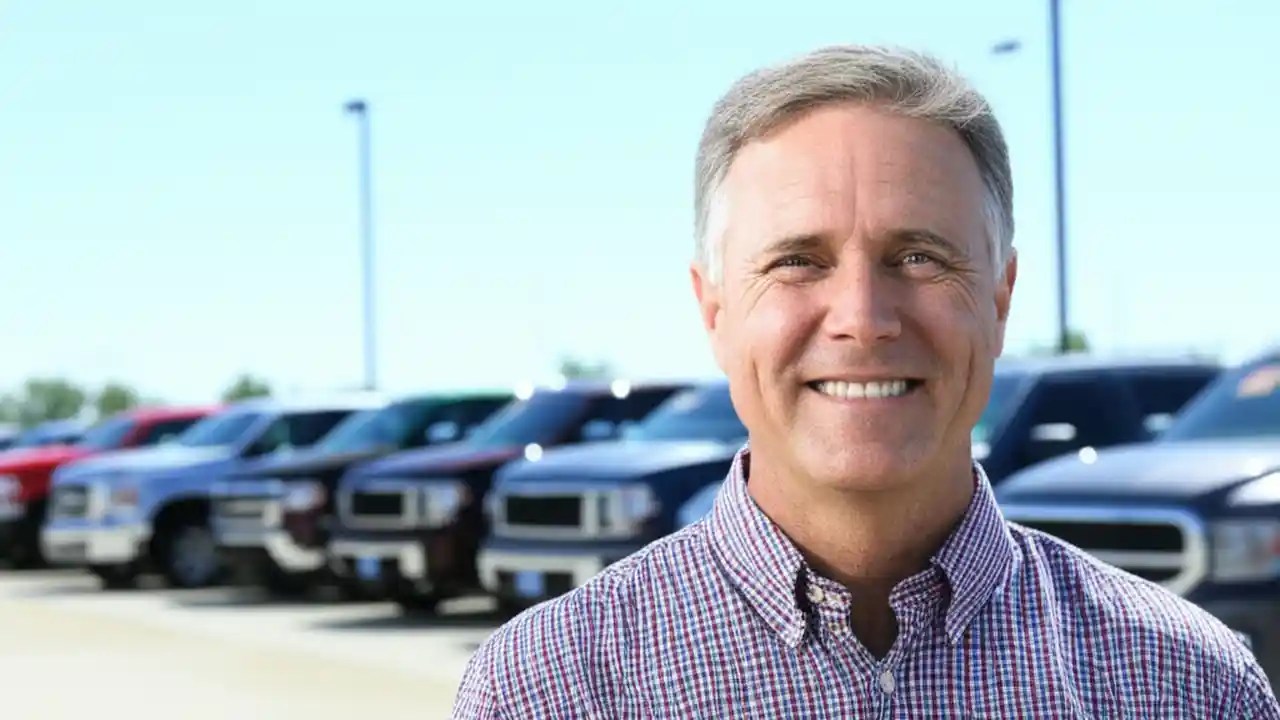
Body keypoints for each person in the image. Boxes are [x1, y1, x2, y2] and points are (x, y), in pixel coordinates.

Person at [452, 44, 1280, 718]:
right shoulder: (549, 691)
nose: (863, 317)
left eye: (918, 257)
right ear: (715, 313)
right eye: (798, 261)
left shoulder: (1185, 684)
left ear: (999, 300)